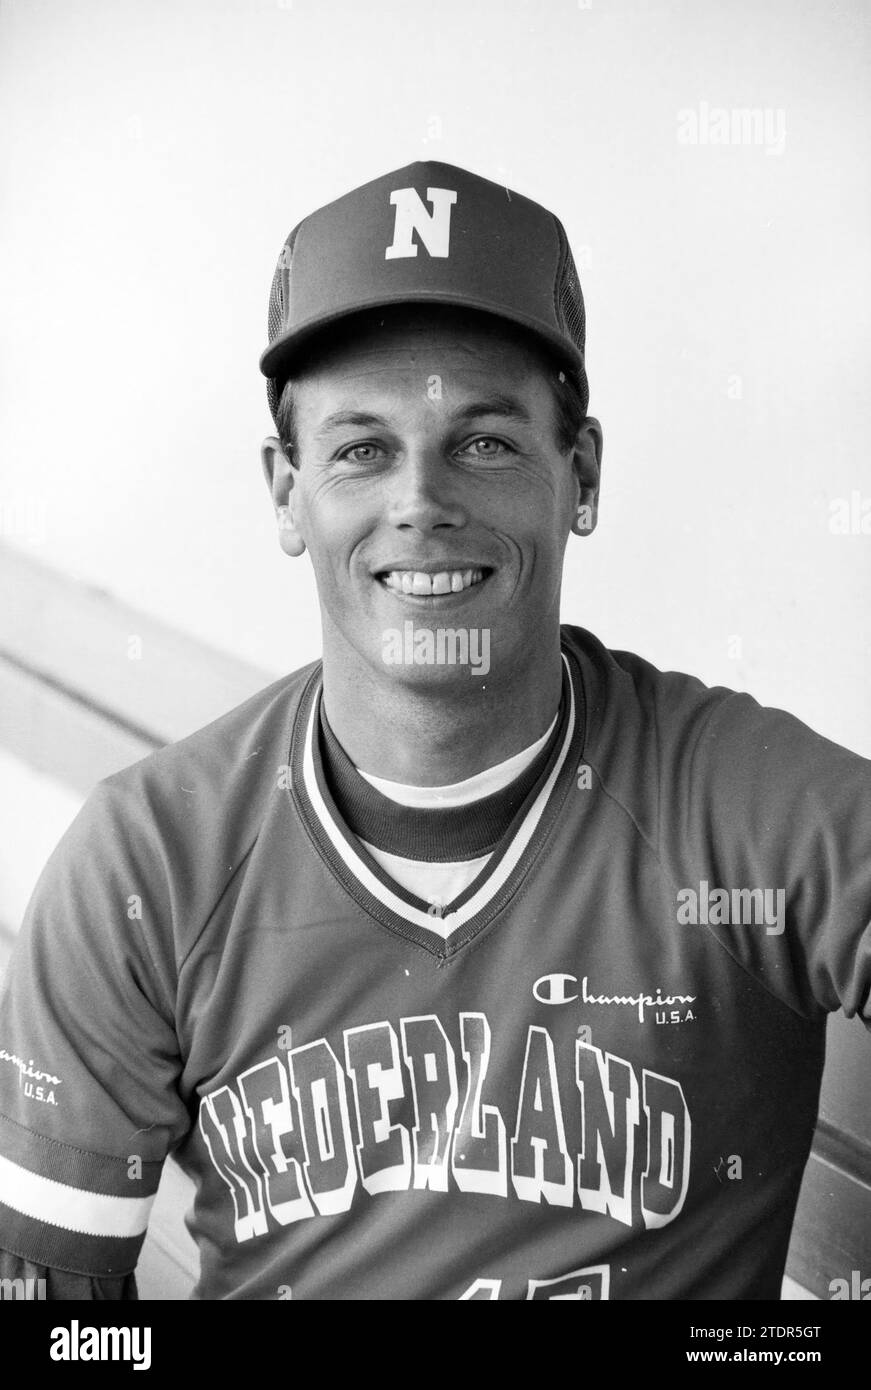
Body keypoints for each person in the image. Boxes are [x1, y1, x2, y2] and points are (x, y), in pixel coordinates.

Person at [0, 161, 868, 1300]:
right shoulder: (148, 860)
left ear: (582, 474)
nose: (421, 500)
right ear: (285, 490)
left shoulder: (732, 803)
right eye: (361, 447)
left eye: (486, 441)